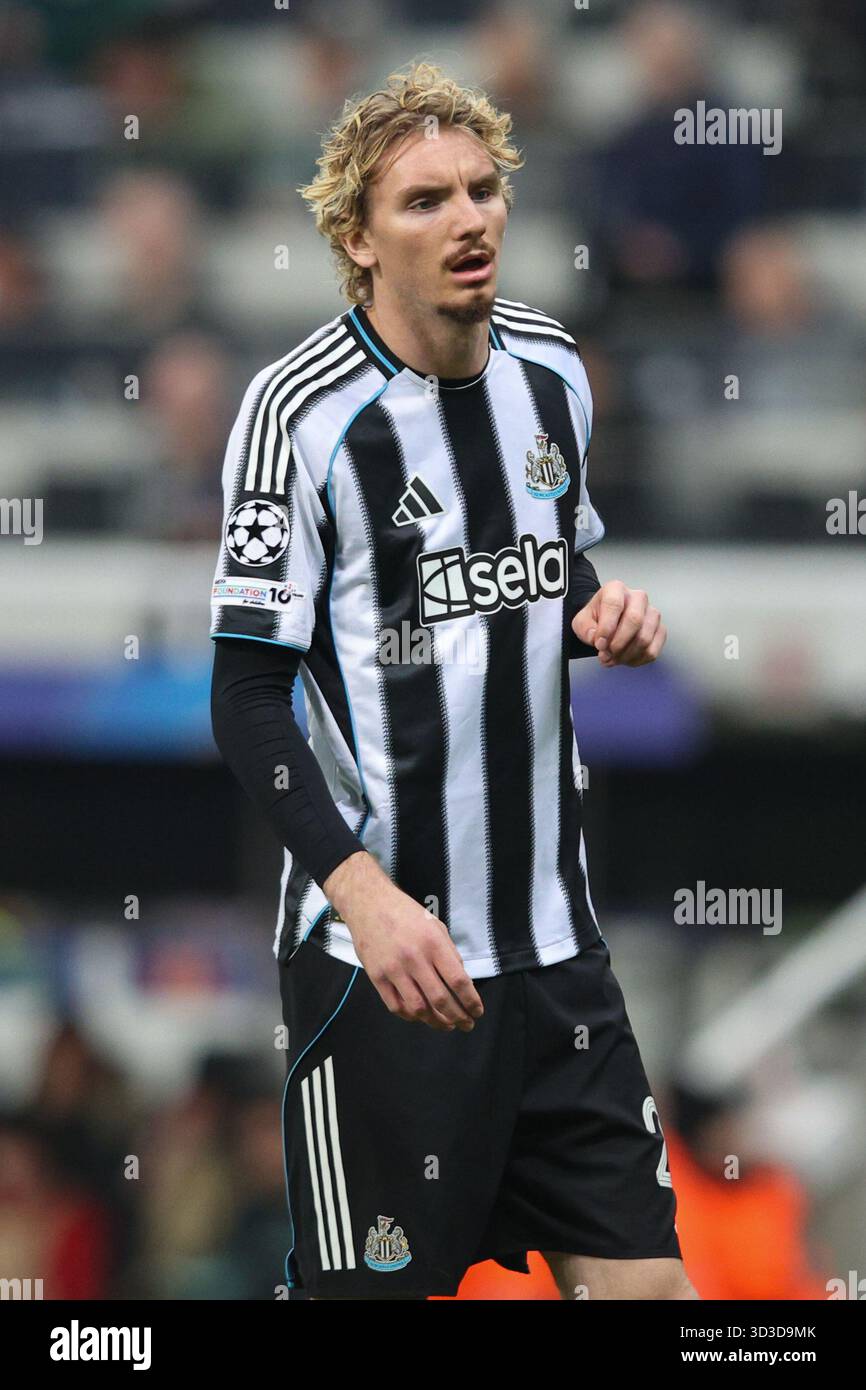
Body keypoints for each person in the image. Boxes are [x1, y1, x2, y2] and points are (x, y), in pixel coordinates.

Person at [210, 61, 695, 1301]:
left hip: (554, 956)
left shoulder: (548, 370)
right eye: (424, 200)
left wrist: (600, 612)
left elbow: (549, 569)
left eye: (482, 190)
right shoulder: (296, 416)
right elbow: (248, 696)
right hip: (385, 969)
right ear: (356, 240)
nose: (468, 218)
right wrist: (365, 898)